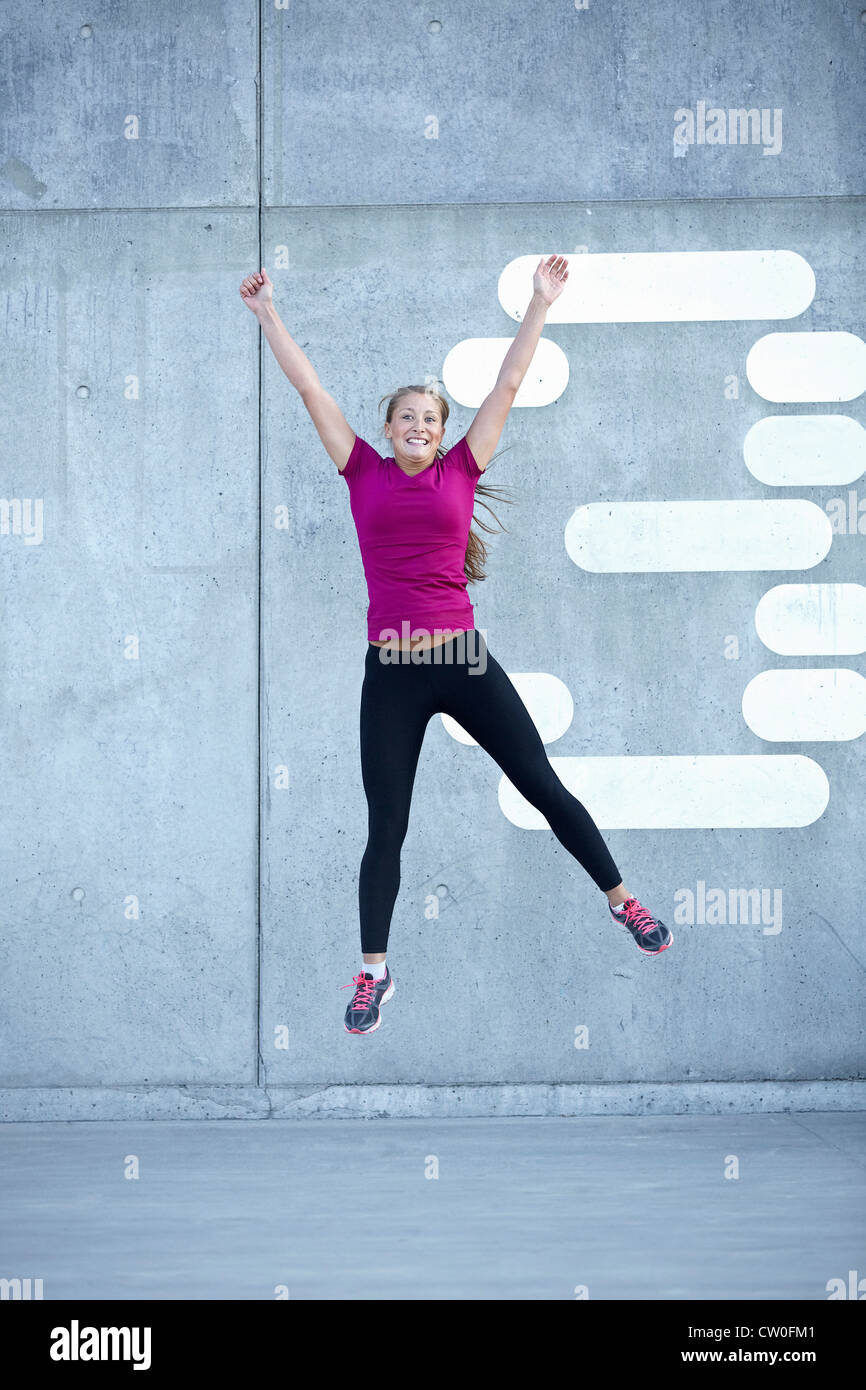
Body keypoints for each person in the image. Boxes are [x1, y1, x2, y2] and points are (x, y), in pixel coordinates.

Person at [240, 257, 672, 1036]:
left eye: (430, 420)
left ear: (442, 435)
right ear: (387, 429)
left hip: (462, 660)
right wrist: (270, 315)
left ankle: (622, 899)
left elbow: (506, 385)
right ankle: (375, 973)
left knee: (542, 784)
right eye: (406, 417)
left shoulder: (462, 471)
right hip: (394, 672)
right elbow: (311, 391)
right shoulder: (361, 471)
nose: (418, 427)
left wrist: (539, 303)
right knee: (387, 827)